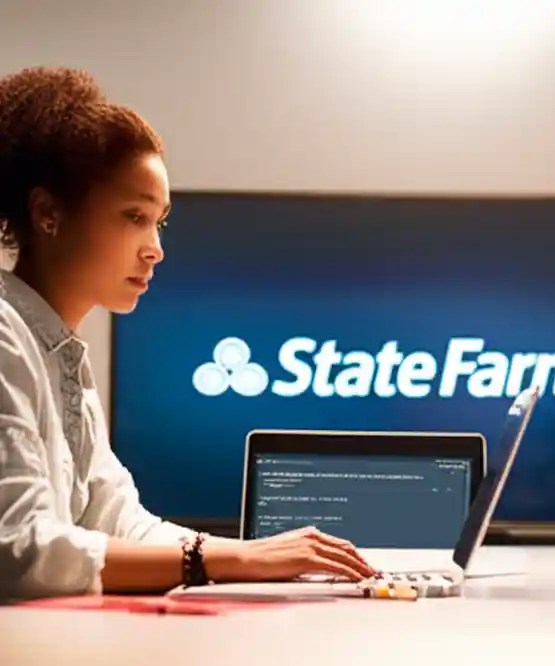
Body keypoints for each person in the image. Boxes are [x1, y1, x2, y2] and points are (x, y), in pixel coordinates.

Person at [0, 67, 374, 599]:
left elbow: (120, 522)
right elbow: (21, 550)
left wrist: (258, 558)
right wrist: (231, 557)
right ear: (47, 214)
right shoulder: (5, 335)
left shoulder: (58, 353)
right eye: (134, 217)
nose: (155, 248)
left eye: (160, 222)